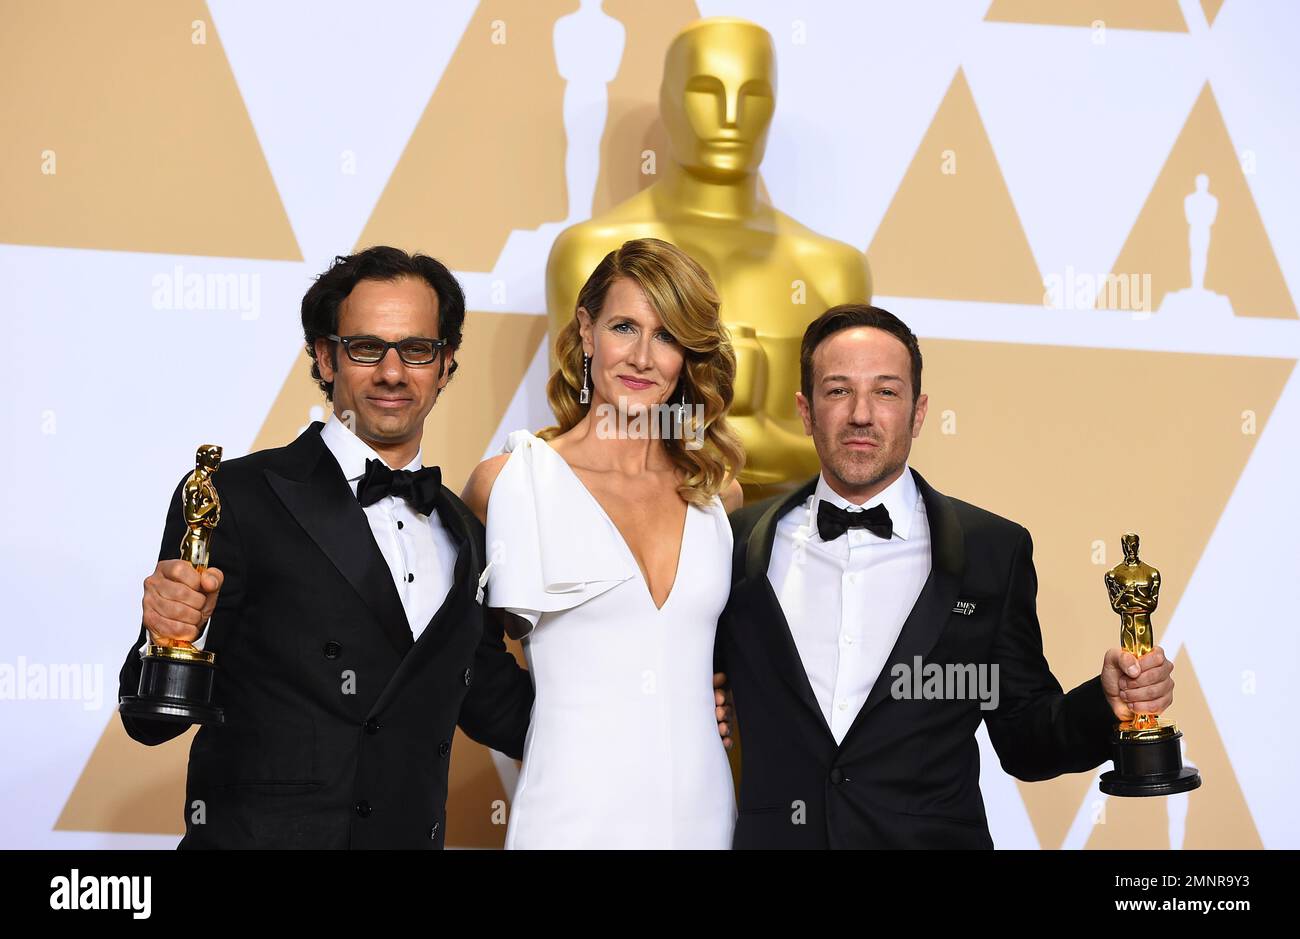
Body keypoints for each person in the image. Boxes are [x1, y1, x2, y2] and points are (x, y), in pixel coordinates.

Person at [718, 304, 1177, 849]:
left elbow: (1028, 740)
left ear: (918, 412)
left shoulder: (993, 550)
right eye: (838, 390)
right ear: (806, 410)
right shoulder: (735, 543)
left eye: (886, 392)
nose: (862, 414)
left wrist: (1107, 703)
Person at [121, 246, 534, 849]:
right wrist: (178, 635)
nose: (392, 372)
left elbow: (496, 704)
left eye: (416, 350)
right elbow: (149, 723)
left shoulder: (465, 532)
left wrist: (662, 713)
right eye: (366, 348)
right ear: (325, 356)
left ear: (445, 364)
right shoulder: (235, 496)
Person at [462, 237, 744, 848]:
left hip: (702, 812)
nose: (643, 356)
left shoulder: (718, 496)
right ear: (587, 333)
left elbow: (727, 653)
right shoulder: (511, 485)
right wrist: (552, 731)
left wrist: (728, 699)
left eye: (667, 335)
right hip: (570, 812)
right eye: (625, 327)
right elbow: (464, 664)